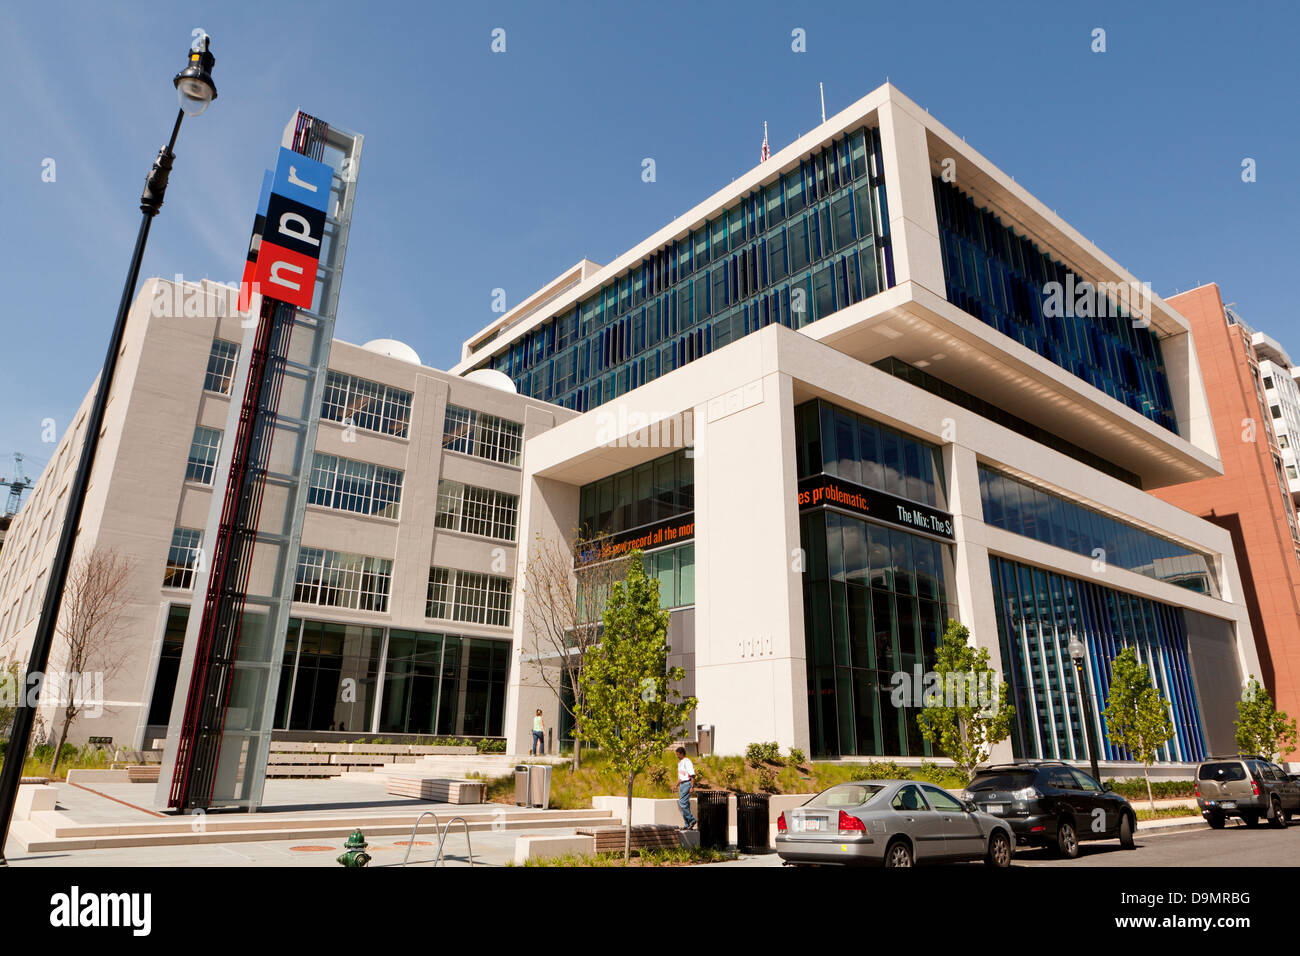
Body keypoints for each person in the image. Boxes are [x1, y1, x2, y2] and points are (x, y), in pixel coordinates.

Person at [675, 745, 697, 830]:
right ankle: (687, 824)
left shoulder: (687, 761)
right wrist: (676, 786)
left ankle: (692, 820)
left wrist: (692, 786)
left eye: (677, 754)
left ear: (681, 754)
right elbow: (681, 777)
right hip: (682, 784)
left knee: (682, 803)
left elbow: (692, 775)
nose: (677, 756)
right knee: (685, 805)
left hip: (687, 784)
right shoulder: (680, 763)